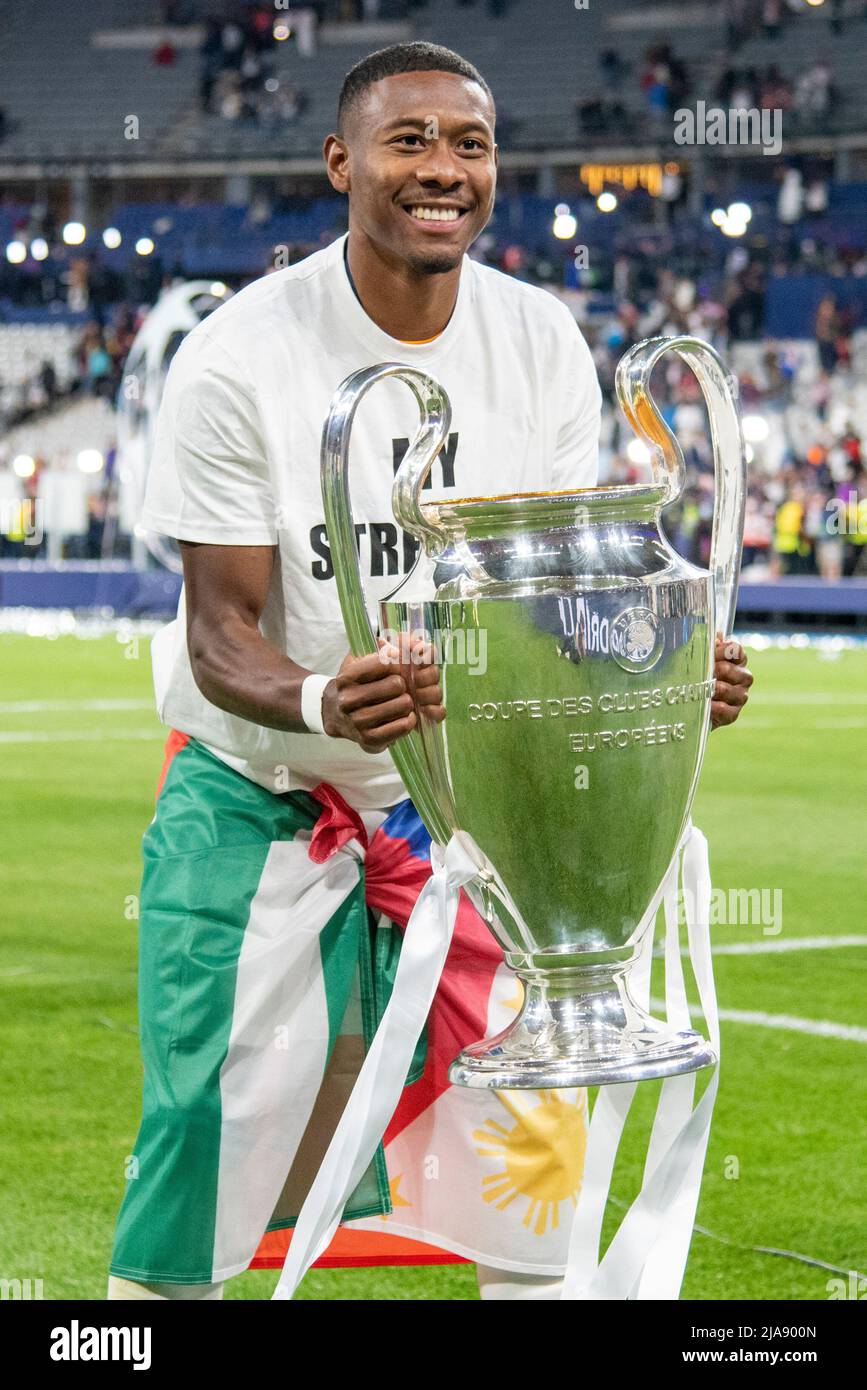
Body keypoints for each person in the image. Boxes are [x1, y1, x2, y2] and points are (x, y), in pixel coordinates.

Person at [107, 41, 753, 1304]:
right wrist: (316, 698)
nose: (442, 170)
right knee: (200, 1139)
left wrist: (663, 672)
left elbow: (569, 606)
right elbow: (219, 627)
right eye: (409, 141)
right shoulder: (241, 355)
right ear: (342, 161)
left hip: (465, 815)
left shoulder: (540, 340)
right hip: (263, 789)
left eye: (470, 144)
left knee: (535, 1163)